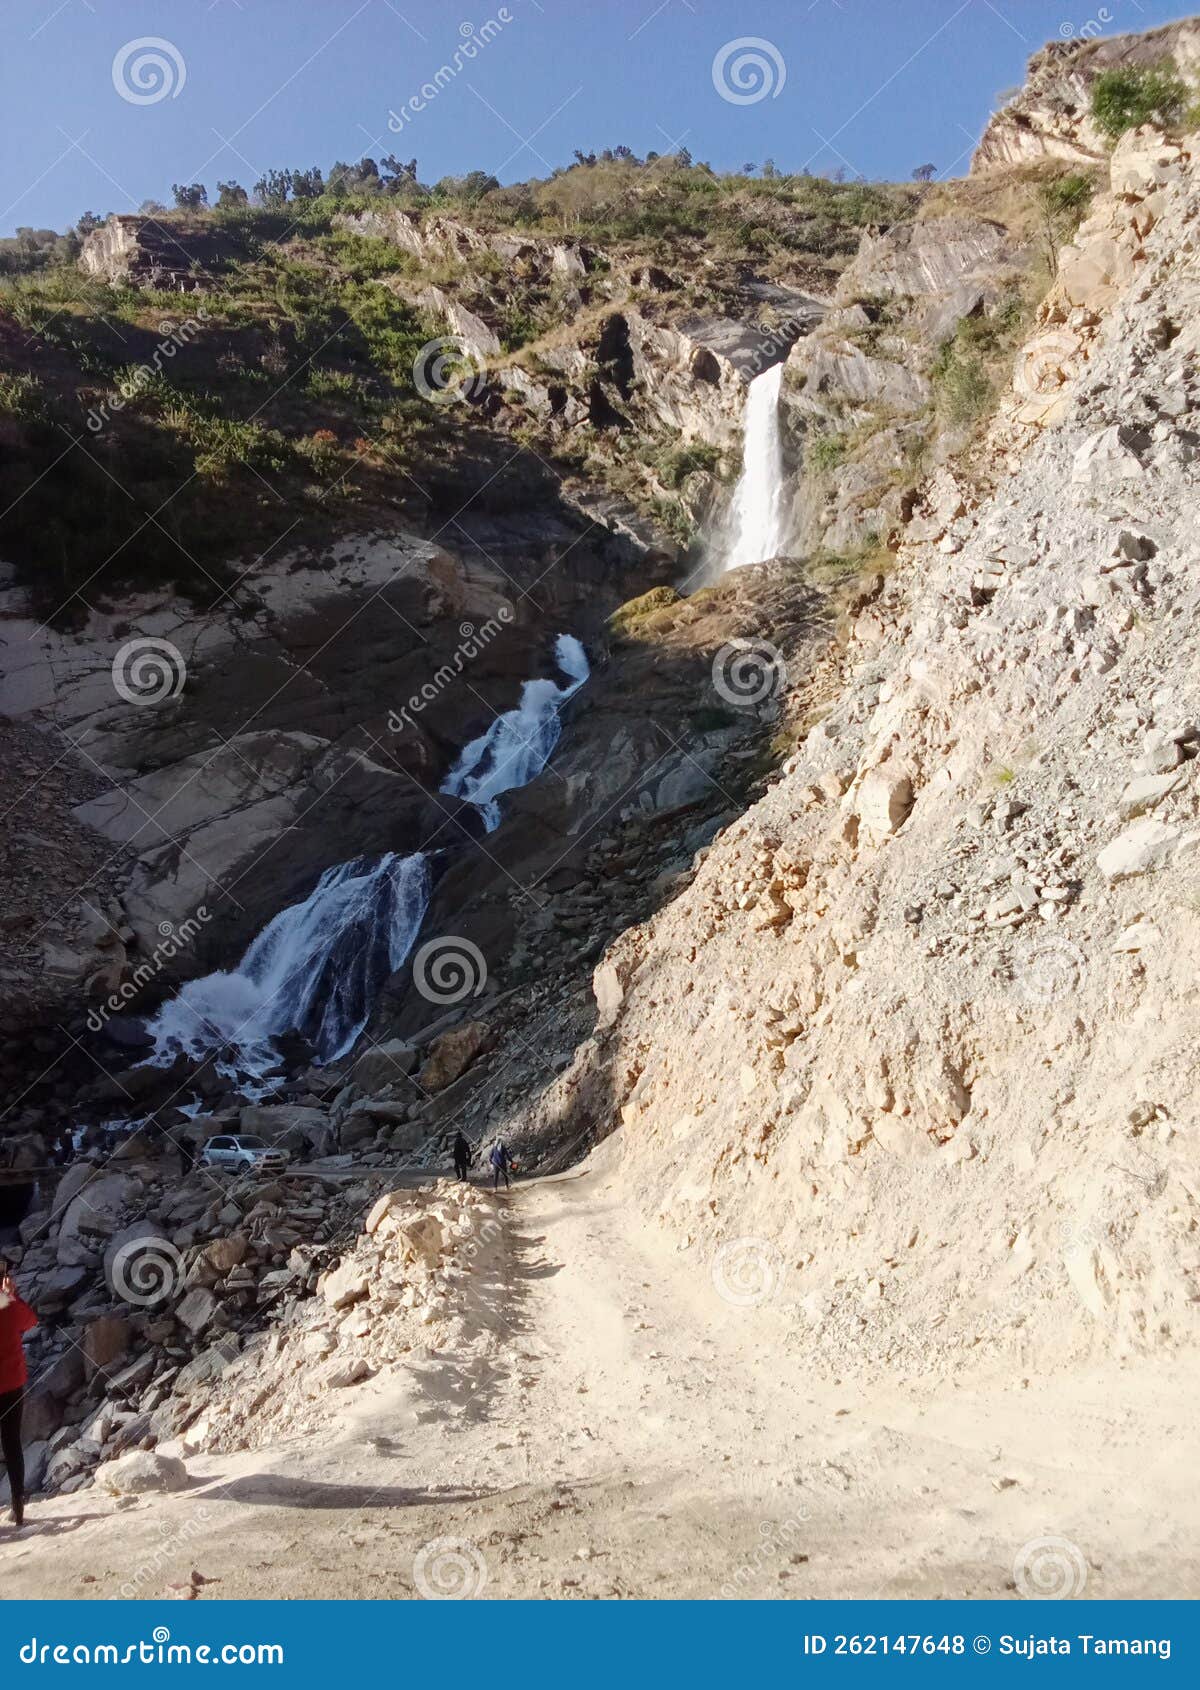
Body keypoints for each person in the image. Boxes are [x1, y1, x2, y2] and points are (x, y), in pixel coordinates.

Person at [0, 1259, 37, 1529]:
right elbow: (30, 1321)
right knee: (12, 1443)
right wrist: (12, 1294)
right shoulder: (7, 1304)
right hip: (11, 1383)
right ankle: (18, 1507)